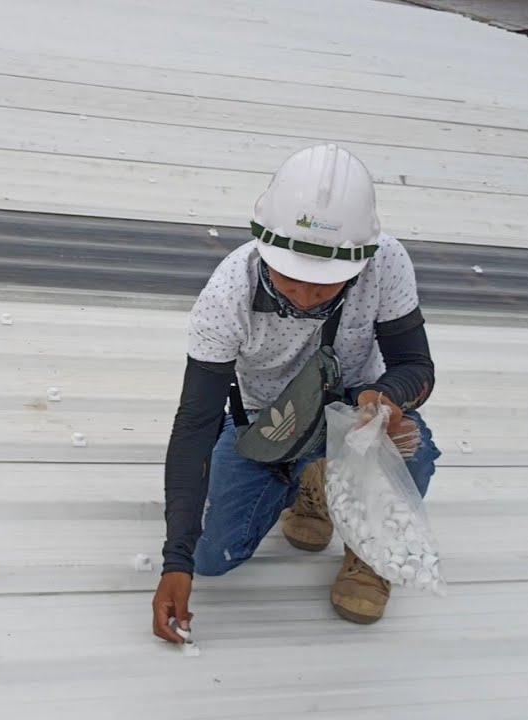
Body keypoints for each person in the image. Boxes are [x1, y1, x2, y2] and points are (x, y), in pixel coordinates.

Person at [152, 144, 441, 644]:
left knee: (404, 444)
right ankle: (314, 478)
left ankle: (369, 552)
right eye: (293, 278)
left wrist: (387, 400)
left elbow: (416, 366)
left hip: (355, 407)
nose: (307, 296)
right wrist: (175, 562)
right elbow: (195, 424)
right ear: (264, 247)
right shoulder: (227, 296)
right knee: (210, 557)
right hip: (271, 419)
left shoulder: (386, 261)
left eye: (326, 284)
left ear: (360, 258)